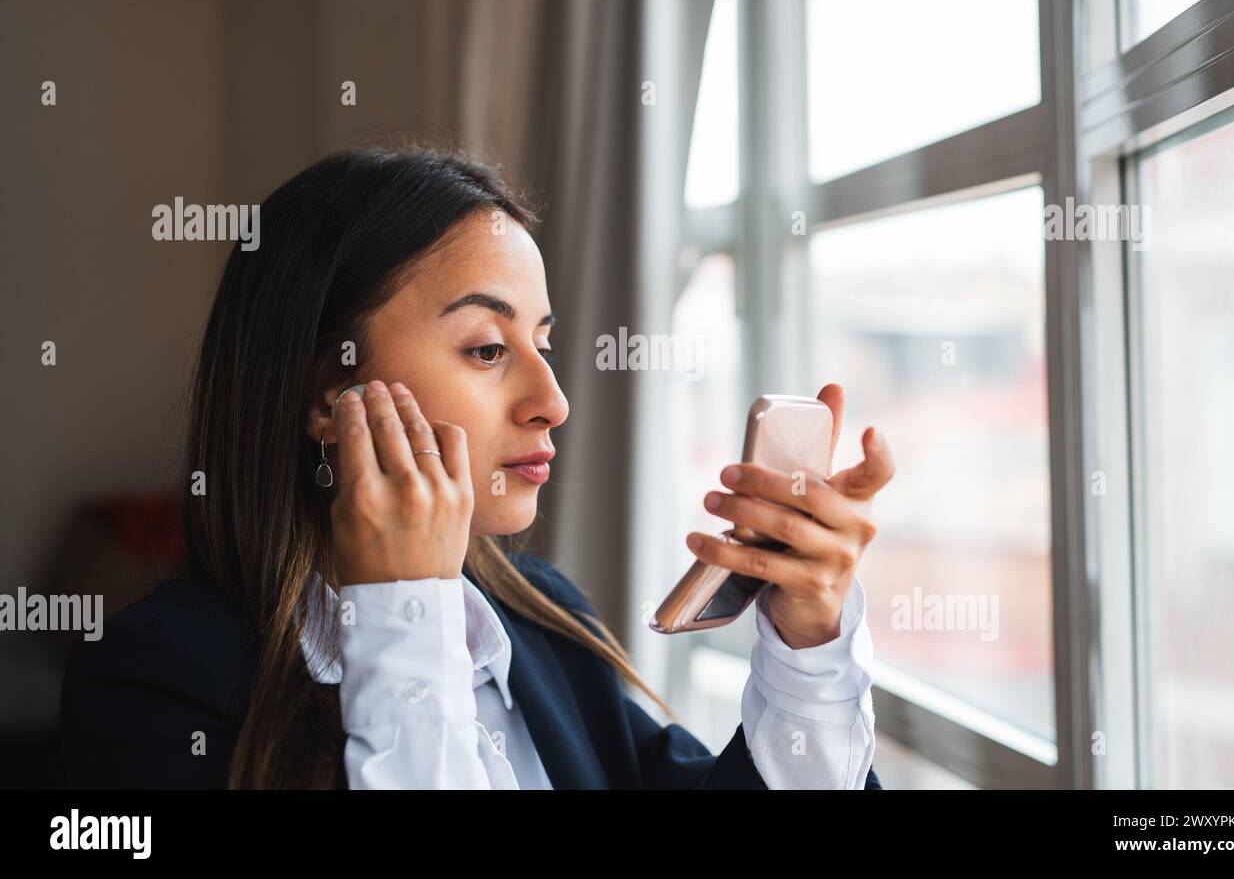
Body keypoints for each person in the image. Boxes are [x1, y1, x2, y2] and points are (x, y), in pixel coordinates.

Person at [60, 142, 895, 789]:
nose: (553, 400)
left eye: (545, 343)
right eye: (488, 347)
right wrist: (403, 617)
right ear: (326, 394)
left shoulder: (540, 626)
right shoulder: (152, 682)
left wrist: (810, 646)